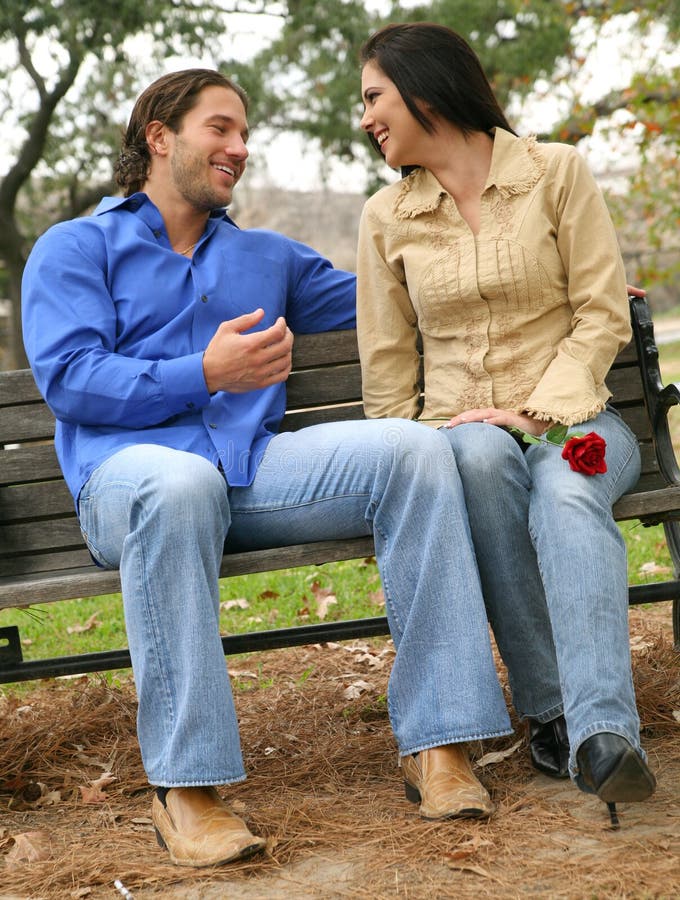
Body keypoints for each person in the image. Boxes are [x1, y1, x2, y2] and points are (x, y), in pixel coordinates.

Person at [21, 68, 518, 869]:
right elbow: (71, 378)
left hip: (250, 475)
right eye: (220, 129)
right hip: (129, 485)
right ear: (160, 137)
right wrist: (203, 374)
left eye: (243, 134)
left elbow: (405, 297)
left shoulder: (266, 257)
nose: (239, 148)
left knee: (415, 451)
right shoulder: (77, 248)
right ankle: (186, 791)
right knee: (178, 486)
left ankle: (441, 743)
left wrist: (557, 280)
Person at [356, 22, 657, 827]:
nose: (366, 118)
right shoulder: (386, 217)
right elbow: (388, 369)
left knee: (565, 495)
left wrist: (534, 412)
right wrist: (403, 459)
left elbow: (600, 314)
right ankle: (553, 711)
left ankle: (597, 733)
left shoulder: (556, 172)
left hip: (576, 420)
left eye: (375, 97)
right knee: (481, 457)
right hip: (463, 436)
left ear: (425, 89)